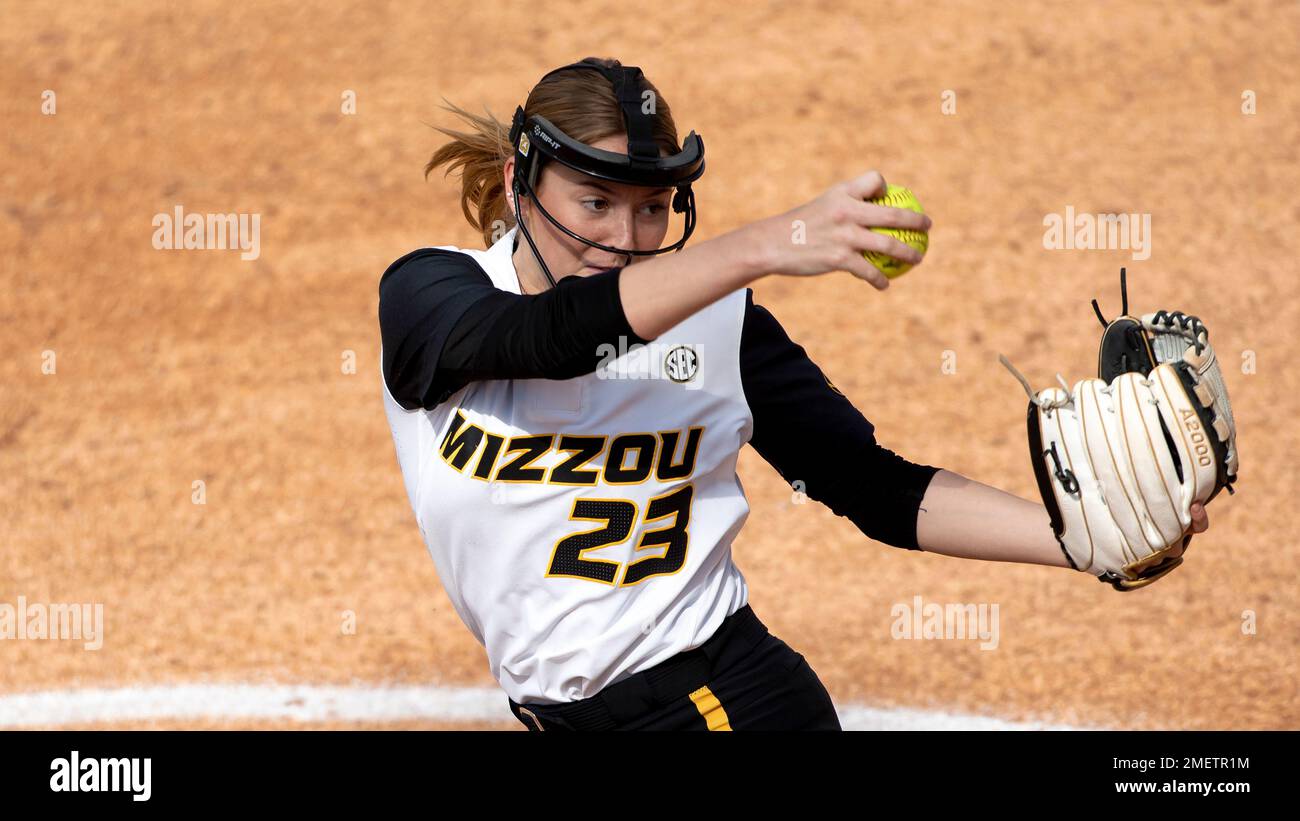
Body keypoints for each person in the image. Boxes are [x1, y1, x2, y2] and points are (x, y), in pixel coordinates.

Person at [377, 57, 1209, 731]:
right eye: (594, 202)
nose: (626, 242)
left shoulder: (721, 328)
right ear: (524, 184)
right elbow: (551, 340)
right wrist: (766, 243)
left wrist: (1081, 535)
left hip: (723, 706)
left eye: (653, 209)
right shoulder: (432, 299)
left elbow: (872, 485)